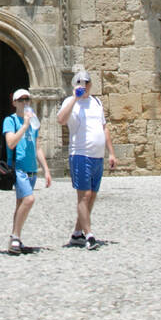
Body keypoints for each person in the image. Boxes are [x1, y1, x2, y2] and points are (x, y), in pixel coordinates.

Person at [56, 70, 117, 248]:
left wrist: (111, 152)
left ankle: (77, 233)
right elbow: (60, 119)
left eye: (87, 82)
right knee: (84, 196)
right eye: (80, 82)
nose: (84, 85)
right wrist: (75, 98)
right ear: (75, 85)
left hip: (97, 156)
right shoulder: (70, 102)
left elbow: (104, 128)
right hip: (80, 154)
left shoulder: (96, 102)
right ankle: (89, 235)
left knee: (92, 196)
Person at [2, 88, 51, 254]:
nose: (25, 103)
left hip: (32, 170)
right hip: (19, 169)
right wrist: (24, 125)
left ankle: (15, 240)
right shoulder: (10, 121)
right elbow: (10, 143)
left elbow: (37, 147)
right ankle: (15, 236)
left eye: (27, 99)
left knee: (20, 205)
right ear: (14, 103)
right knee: (29, 200)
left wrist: (46, 170)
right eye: (21, 100)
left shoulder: (34, 123)